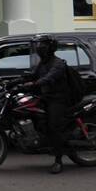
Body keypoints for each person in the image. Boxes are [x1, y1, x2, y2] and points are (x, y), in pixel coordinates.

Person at [26, 33, 71, 174]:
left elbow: (48, 78)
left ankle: (58, 160)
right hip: (46, 97)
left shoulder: (58, 63)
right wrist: (15, 81)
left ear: (50, 47)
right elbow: (33, 75)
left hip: (58, 99)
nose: (39, 48)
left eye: (42, 45)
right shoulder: (43, 62)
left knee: (53, 126)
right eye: (38, 45)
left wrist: (34, 84)